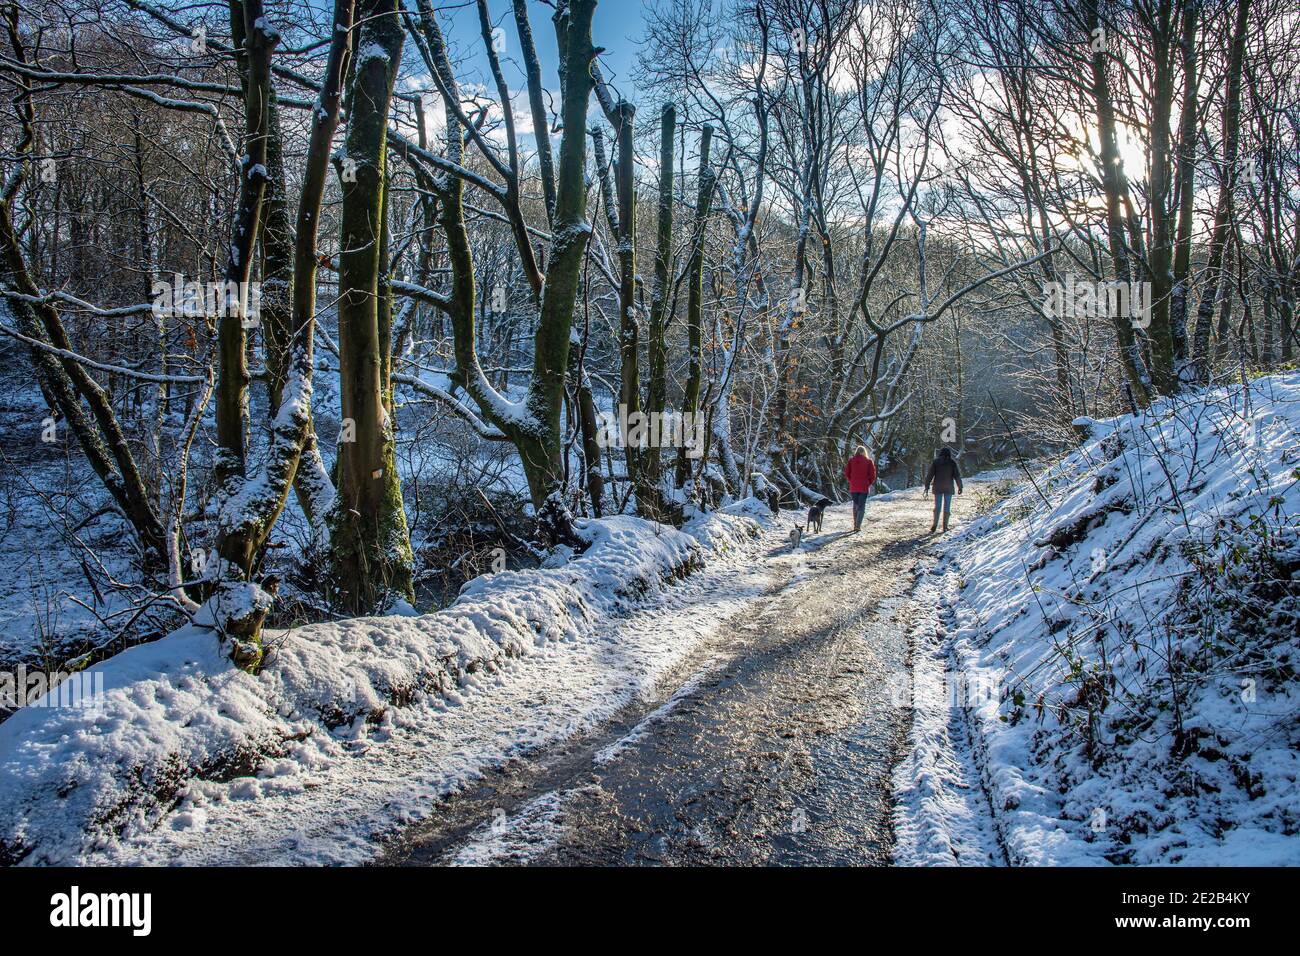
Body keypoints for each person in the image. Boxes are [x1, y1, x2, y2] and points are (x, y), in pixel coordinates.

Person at [923, 447, 963, 533]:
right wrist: (960, 487)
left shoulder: (936, 462)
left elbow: (930, 475)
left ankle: (934, 525)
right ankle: (945, 526)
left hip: (938, 487)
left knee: (937, 507)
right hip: (948, 487)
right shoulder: (952, 463)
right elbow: (957, 476)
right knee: (947, 507)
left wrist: (927, 486)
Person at [843, 445, 877, 532]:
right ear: (864, 452)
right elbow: (873, 476)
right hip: (864, 487)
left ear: (856, 452)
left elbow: (847, 473)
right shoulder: (869, 462)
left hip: (853, 487)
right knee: (861, 506)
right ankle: (857, 526)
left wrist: (852, 481)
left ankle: (855, 524)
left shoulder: (851, 461)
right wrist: (868, 483)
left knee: (856, 505)